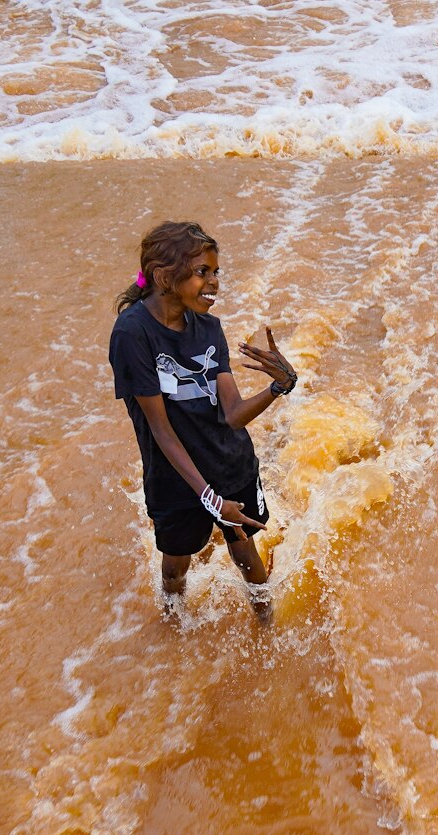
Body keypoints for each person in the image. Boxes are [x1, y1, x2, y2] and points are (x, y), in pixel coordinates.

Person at [108, 221, 298, 621]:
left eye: (216, 273)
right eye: (202, 273)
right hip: (175, 477)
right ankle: (172, 625)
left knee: (245, 546)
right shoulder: (133, 334)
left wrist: (280, 386)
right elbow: (161, 430)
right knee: (176, 565)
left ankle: (267, 622)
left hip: (231, 464)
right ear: (163, 276)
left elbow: (232, 414)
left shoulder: (209, 327)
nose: (214, 283)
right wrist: (210, 500)